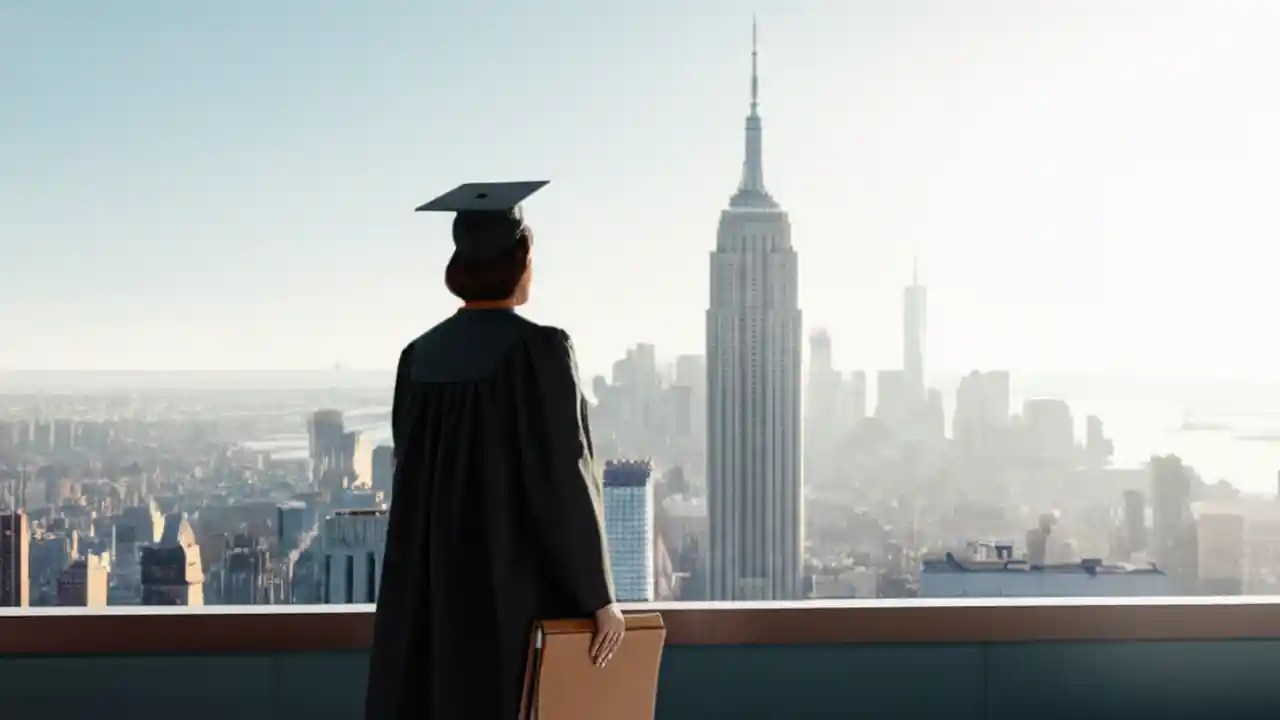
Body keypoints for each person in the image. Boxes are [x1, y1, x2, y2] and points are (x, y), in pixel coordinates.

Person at [364, 181, 625, 719]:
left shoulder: (417, 358)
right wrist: (599, 597)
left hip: (427, 593)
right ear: (523, 256)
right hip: (509, 595)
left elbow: (407, 471)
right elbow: (563, 477)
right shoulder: (541, 350)